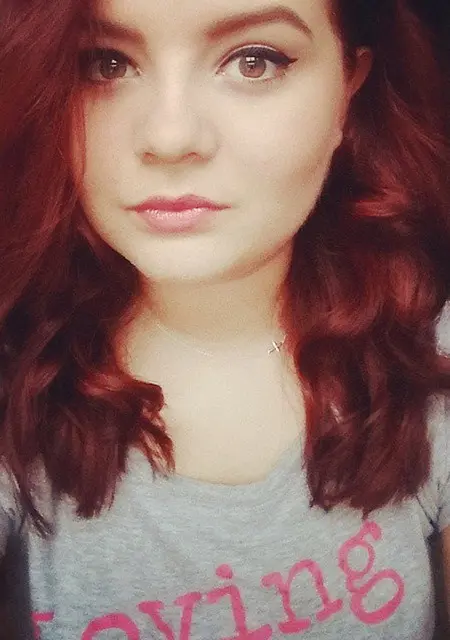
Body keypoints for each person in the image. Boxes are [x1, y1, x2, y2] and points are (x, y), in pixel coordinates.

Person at [0, 0, 449, 638]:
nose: (169, 138)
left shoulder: (432, 362)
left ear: (348, 89)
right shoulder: (18, 389)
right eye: (105, 64)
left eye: (254, 61)